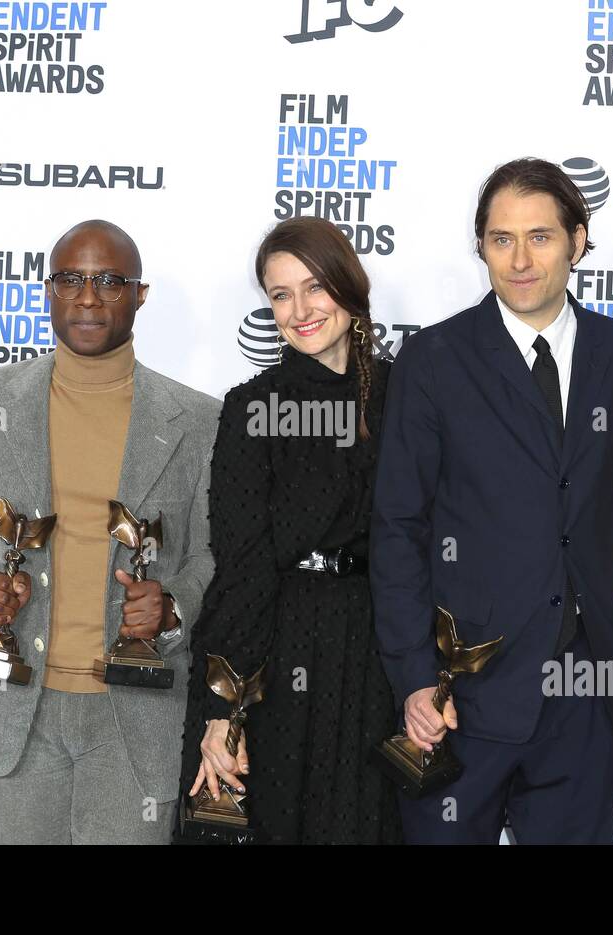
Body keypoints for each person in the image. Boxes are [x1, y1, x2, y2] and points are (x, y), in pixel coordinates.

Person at [371, 158, 613, 844]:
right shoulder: (435, 360)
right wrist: (414, 678)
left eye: (541, 237)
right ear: (481, 248)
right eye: (501, 239)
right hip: (459, 695)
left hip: (588, 693)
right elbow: (397, 527)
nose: (521, 259)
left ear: (578, 240)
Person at [0, 219, 219, 844]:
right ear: (48, 291)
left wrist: (172, 608)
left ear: (140, 295)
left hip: (136, 715)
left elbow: (208, 555)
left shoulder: (198, 419)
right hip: (19, 708)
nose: (88, 297)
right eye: (71, 280)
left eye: (110, 281)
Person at [181, 217, 401, 844]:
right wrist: (226, 705)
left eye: (314, 288)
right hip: (276, 655)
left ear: (349, 290)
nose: (300, 310)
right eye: (280, 294)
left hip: (377, 654)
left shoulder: (403, 396)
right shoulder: (254, 408)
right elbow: (242, 569)